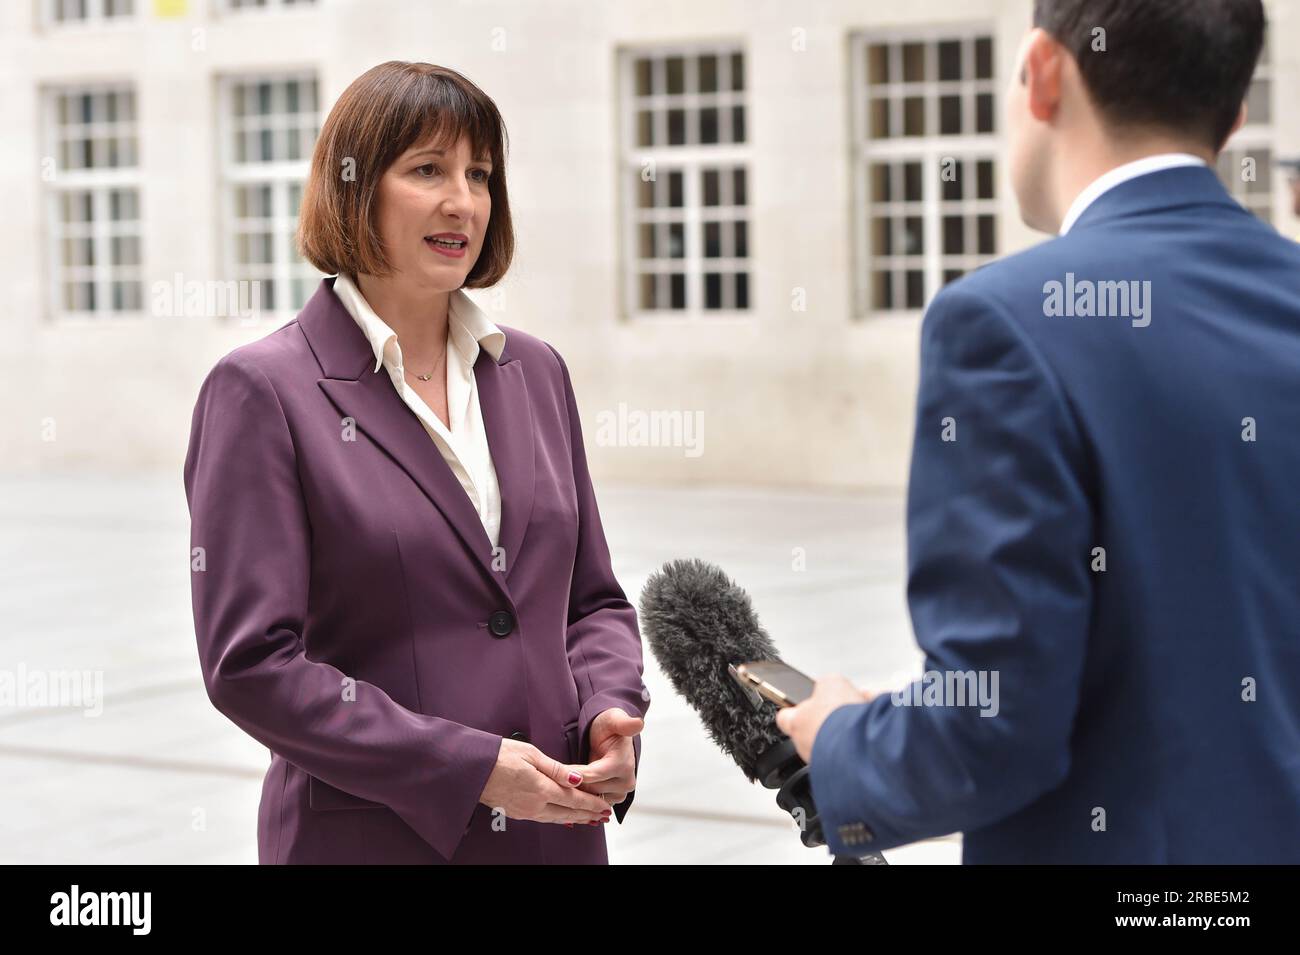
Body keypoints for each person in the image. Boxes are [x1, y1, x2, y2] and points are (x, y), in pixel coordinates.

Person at [778, 0, 1300, 862]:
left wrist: (842, 737)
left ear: (1043, 73)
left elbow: (993, 729)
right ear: (1234, 113)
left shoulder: (1003, 324)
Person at [183, 61, 648, 864]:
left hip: (554, 837)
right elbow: (251, 665)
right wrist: (469, 769)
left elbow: (591, 599)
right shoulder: (263, 390)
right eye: (427, 169)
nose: (461, 200)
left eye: (479, 174)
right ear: (353, 189)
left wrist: (610, 704)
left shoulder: (535, 372)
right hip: (366, 841)